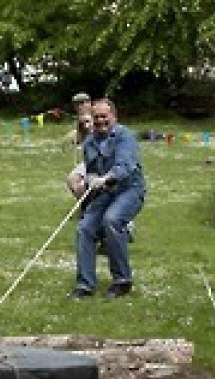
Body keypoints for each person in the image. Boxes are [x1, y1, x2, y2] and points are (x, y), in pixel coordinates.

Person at [68, 99, 146, 299]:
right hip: (104, 193)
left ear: (113, 116)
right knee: (84, 228)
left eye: (104, 116)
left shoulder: (124, 136)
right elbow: (91, 169)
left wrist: (106, 178)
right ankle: (85, 285)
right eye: (96, 117)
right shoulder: (89, 142)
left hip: (129, 190)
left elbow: (125, 167)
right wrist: (92, 178)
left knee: (111, 220)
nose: (100, 121)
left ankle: (122, 281)